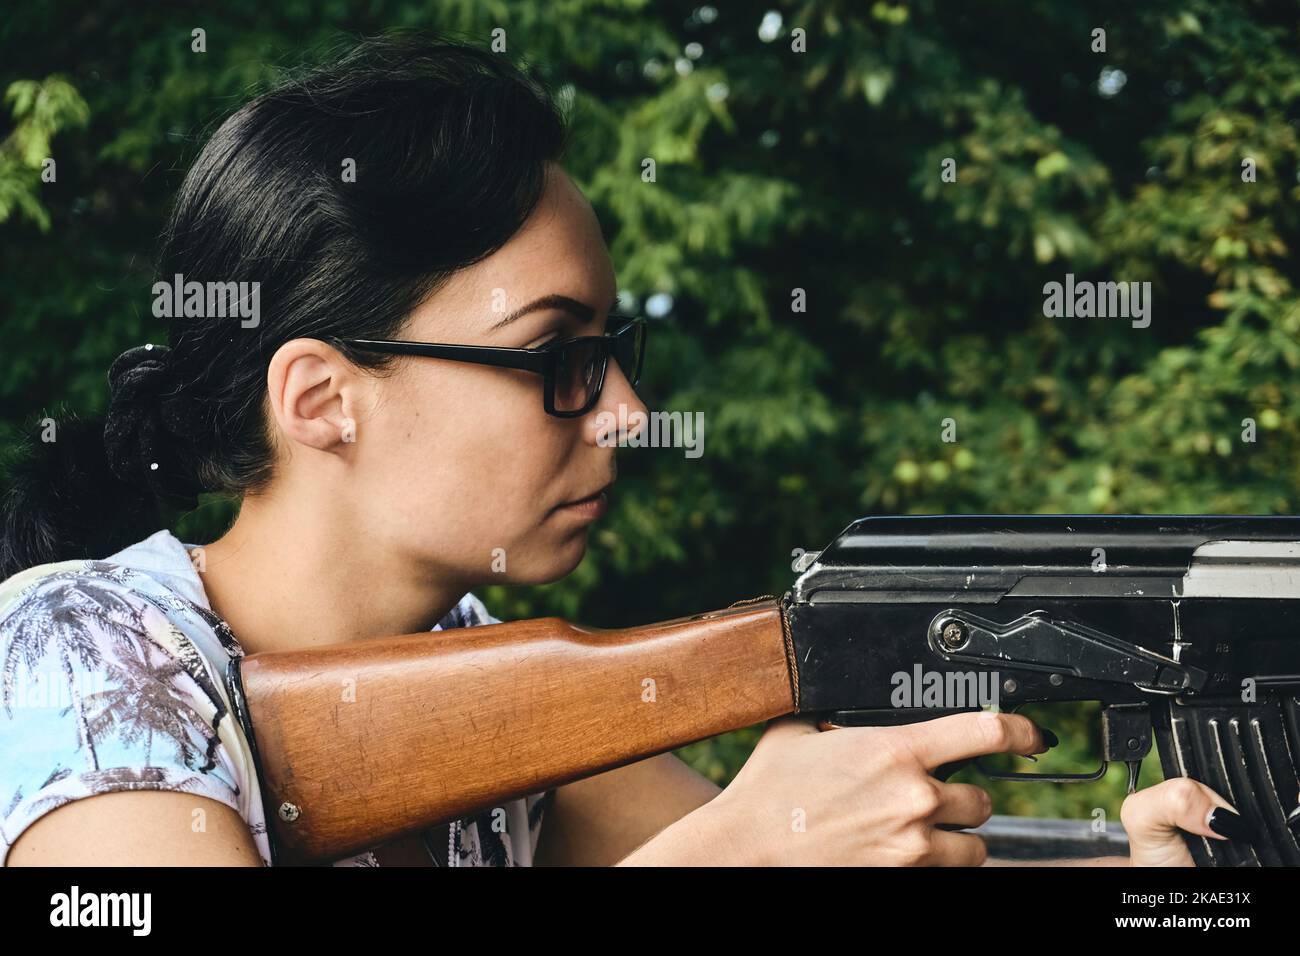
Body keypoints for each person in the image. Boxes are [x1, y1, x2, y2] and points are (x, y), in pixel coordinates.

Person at [0, 32, 1247, 867]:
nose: (627, 415)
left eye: (613, 350)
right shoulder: (78, 656)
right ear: (324, 396)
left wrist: (1130, 867)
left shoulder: (475, 673)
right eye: (555, 358)